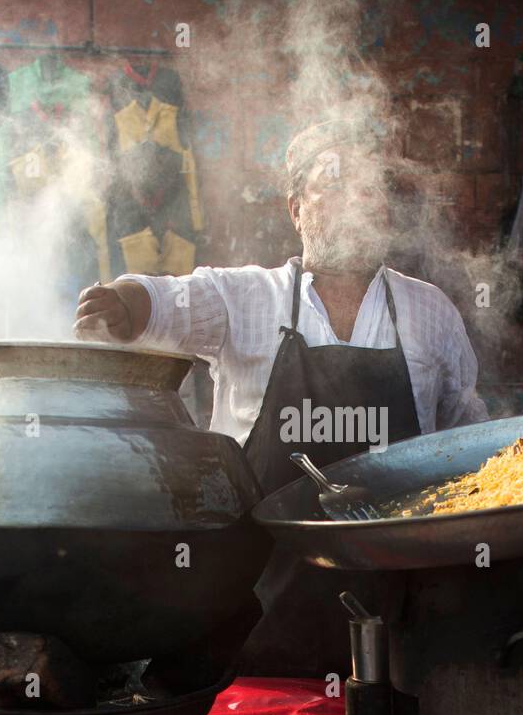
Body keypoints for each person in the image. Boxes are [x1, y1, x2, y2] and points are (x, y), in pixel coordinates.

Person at [74, 119, 487, 676]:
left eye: (367, 188)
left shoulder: (429, 311)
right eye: (332, 185)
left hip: (397, 628)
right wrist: (123, 304)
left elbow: (470, 444)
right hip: (258, 621)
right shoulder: (244, 298)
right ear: (295, 209)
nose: (354, 202)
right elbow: (163, 301)